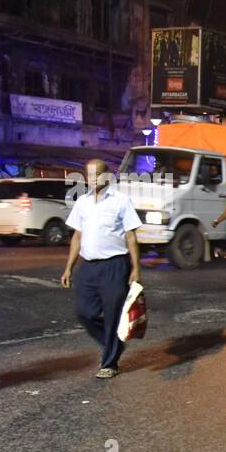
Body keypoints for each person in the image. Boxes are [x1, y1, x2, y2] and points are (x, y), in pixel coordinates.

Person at [61, 158, 142, 380]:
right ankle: (112, 342)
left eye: (97, 174)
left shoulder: (121, 201)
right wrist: (69, 267)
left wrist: (136, 268)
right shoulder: (82, 203)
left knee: (113, 315)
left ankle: (110, 363)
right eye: (88, 175)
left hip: (115, 265)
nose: (92, 179)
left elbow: (131, 236)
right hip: (88, 267)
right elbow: (77, 236)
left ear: (108, 175)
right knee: (84, 313)